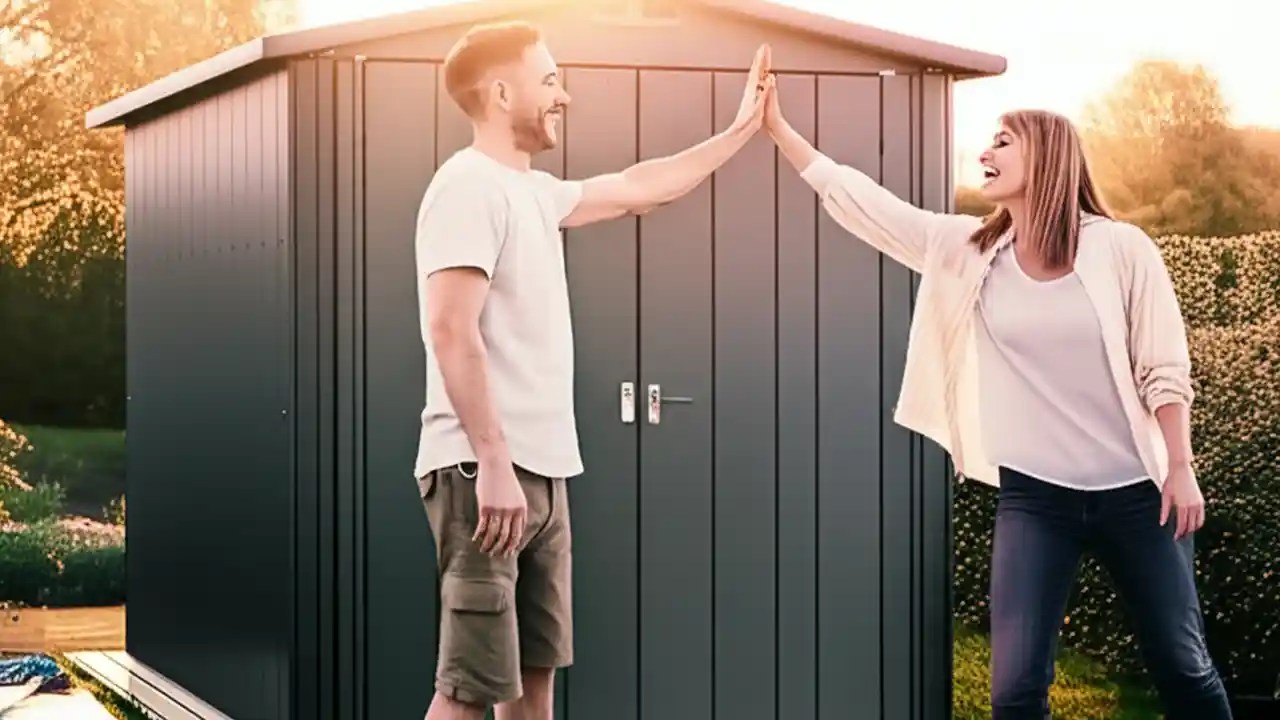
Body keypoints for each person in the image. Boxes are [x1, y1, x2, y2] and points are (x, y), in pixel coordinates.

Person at [762, 87, 1232, 718]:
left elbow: (1163, 366)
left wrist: (1180, 465)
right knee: (1014, 691)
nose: (984, 152)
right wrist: (780, 131)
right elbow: (868, 207)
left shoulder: (1122, 249)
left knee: (1183, 666)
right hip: (1037, 498)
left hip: (1137, 493)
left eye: (1003, 141)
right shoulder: (971, 251)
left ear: (1047, 157)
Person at [413, 23, 774, 720]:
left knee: (534, 684)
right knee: (467, 690)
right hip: (482, 474)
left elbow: (643, 186)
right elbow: (450, 328)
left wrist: (737, 132)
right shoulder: (465, 188)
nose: (564, 95)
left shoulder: (535, 194)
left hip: (543, 473)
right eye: (548, 81)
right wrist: (493, 462)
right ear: (498, 92)